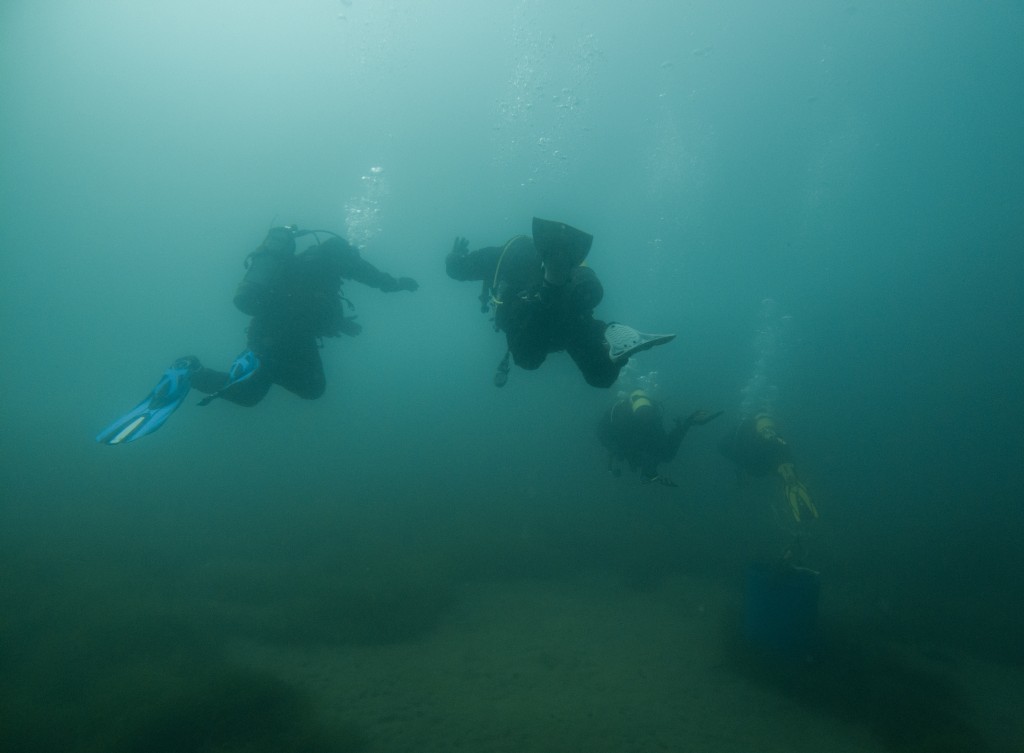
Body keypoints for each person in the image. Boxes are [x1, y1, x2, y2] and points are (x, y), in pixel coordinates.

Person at [97, 225, 418, 444]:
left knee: (250, 395)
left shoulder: (298, 265)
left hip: (264, 331)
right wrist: (398, 283)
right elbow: (371, 277)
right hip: (290, 337)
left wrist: (340, 325)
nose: (354, 257)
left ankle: (192, 372)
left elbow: (306, 306)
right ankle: (256, 366)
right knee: (313, 388)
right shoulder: (336, 256)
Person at [445, 217, 675, 388]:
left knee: (527, 360)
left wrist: (454, 256)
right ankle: (609, 332)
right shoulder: (570, 263)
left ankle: (551, 285)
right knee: (601, 377)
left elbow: (456, 270)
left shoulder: (503, 254)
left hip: (534, 322)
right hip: (570, 322)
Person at [598, 389, 722, 485]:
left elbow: (602, 432)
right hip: (640, 439)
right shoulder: (649, 410)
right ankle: (686, 423)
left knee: (651, 455)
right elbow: (663, 443)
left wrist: (615, 449)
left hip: (629, 443)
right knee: (666, 455)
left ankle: (648, 472)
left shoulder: (617, 412)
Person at [718, 413, 817, 522]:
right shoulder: (754, 428)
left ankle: (786, 473)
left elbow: (727, 448)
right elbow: (781, 446)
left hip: (758, 458)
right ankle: (787, 472)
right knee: (774, 453)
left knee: (761, 466)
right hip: (771, 449)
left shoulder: (743, 429)